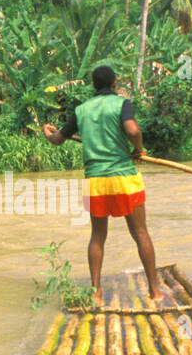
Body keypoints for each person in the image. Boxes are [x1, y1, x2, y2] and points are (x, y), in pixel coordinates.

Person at [42, 65, 162, 303]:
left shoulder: (81, 110)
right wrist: (138, 149)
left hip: (95, 180)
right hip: (124, 177)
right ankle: (155, 292)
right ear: (115, 84)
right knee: (140, 233)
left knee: (97, 236)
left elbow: (58, 140)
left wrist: (48, 133)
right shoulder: (121, 104)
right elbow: (133, 129)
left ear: (94, 86)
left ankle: (96, 292)